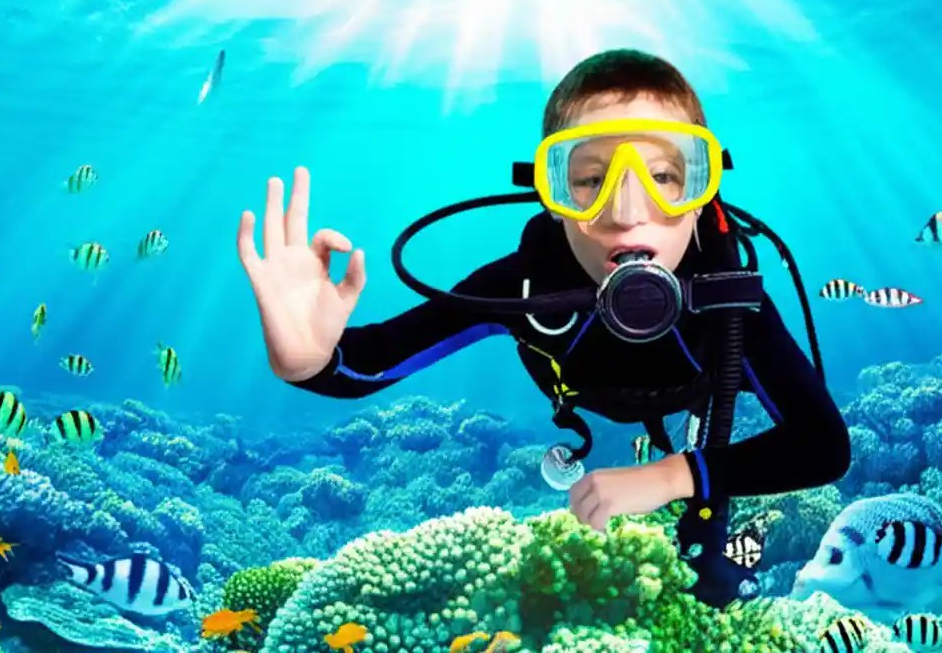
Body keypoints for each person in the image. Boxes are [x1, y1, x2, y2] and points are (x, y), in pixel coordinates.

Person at [236, 48, 851, 608]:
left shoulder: (728, 301)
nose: (626, 211)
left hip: (698, 409)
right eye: (589, 180)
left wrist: (669, 476)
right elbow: (365, 361)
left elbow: (823, 446)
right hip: (584, 399)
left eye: (665, 177)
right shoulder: (526, 287)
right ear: (550, 193)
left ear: (702, 187)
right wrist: (309, 362)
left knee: (708, 575)